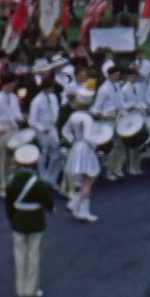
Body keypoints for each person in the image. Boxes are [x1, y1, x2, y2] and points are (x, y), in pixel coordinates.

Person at [4, 144, 53, 297]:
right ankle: (30, 289)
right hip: (35, 221)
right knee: (33, 255)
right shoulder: (38, 182)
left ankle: (20, 289)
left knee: (19, 255)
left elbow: (8, 205)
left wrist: (12, 219)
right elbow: (47, 203)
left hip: (18, 221)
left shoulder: (12, 180)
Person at [61, 82, 101, 222]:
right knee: (89, 179)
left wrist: (73, 140)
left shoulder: (74, 116)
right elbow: (89, 137)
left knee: (81, 179)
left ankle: (76, 206)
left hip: (76, 147)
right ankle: (82, 209)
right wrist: (95, 146)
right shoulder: (87, 118)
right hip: (85, 148)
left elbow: (65, 131)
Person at [0, 79, 24, 198]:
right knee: (2, 160)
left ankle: (11, 184)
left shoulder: (13, 97)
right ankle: (3, 187)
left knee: (14, 160)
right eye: (11, 84)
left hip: (13, 129)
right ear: (5, 85)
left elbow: (16, 113)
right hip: (2, 129)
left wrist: (20, 118)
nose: (12, 86)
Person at [28, 78, 62, 189]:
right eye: (51, 87)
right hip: (42, 131)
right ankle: (43, 179)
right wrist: (42, 128)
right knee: (43, 155)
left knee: (56, 154)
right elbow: (31, 120)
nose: (52, 89)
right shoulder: (36, 101)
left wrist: (56, 123)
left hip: (52, 129)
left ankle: (52, 178)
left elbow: (56, 111)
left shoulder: (53, 97)